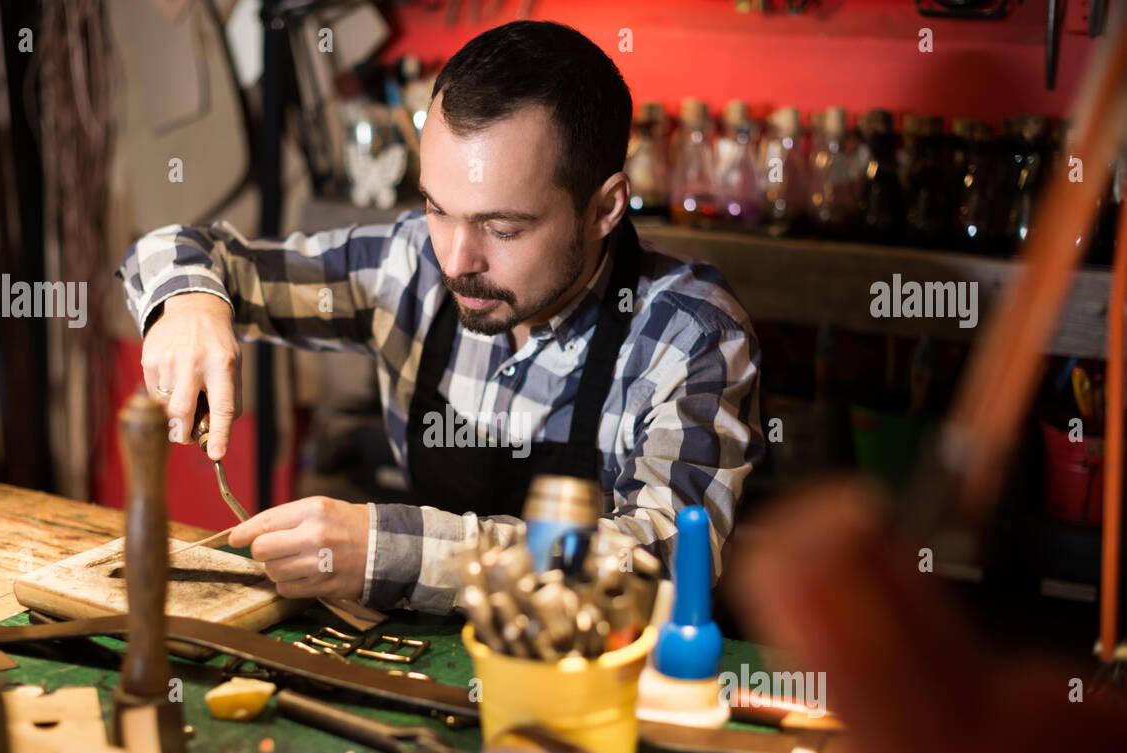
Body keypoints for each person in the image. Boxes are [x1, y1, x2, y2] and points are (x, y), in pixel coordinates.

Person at [118, 20, 764, 613]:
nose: (455, 261)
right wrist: (189, 304)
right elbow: (171, 249)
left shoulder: (689, 335)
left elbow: (665, 570)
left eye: (502, 228)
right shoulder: (408, 265)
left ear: (604, 209)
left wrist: (392, 550)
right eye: (437, 208)